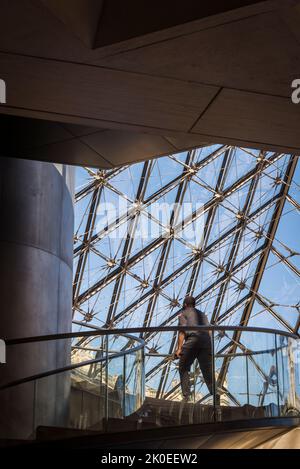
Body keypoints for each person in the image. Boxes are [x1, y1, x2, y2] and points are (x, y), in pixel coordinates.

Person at [174, 295, 213, 402]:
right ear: (194, 304)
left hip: (192, 341)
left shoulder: (183, 313)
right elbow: (209, 330)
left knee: (183, 367)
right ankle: (214, 393)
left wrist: (179, 349)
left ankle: (186, 395)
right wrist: (209, 347)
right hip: (206, 343)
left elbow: (182, 331)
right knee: (207, 370)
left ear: (185, 305)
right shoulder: (202, 314)